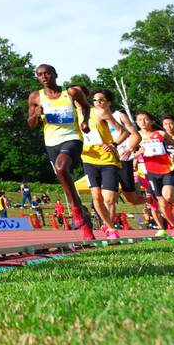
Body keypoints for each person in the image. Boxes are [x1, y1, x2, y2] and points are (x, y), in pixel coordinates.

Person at [28, 64, 93, 239]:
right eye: (40, 74)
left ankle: (76, 210)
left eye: (47, 73)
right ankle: (84, 223)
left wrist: (85, 122)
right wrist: (36, 115)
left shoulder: (70, 92)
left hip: (72, 137)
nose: (44, 76)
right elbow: (31, 124)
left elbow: (86, 107)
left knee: (61, 168)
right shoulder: (36, 97)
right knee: (63, 178)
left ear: (55, 74)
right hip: (51, 143)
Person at [82, 90, 137, 240]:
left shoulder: (102, 113)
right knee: (96, 198)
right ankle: (110, 227)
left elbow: (125, 132)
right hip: (88, 160)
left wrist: (113, 144)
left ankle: (109, 226)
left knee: (109, 199)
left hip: (108, 161)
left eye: (101, 100)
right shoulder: (75, 116)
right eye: (95, 100)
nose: (98, 102)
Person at [134, 112, 174, 236]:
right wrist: (137, 153)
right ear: (136, 122)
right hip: (151, 172)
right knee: (161, 203)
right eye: (139, 120)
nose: (143, 122)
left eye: (146, 119)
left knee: (167, 195)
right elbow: (129, 154)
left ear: (151, 121)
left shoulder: (160, 133)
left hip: (167, 168)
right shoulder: (136, 136)